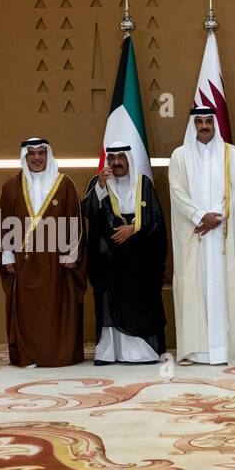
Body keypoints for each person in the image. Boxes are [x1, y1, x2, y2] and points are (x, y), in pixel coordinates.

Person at [168, 106, 235, 366]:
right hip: (194, 234)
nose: (205, 126)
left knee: (225, 286)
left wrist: (215, 217)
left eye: (209, 121)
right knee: (195, 287)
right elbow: (176, 191)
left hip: (223, 236)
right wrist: (199, 216)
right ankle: (197, 350)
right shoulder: (180, 156)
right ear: (193, 125)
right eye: (200, 122)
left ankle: (226, 348)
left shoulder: (231, 153)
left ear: (215, 124)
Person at [0, 137, 87, 367]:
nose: (36, 158)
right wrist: (7, 255)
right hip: (24, 260)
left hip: (56, 260)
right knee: (28, 308)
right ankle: (29, 355)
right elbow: (4, 221)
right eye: (32, 154)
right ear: (24, 157)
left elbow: (74, 219)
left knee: (54, 306)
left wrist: (72, 253)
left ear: (48, 155)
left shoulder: (64, 184)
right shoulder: (10, 186)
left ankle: (57, 354)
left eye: (40, 153)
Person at [81, 144, 167, 364]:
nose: (117, 162)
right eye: (112, 158)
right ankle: (109, 353)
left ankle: (141, 353)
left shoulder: (143, 184)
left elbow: (156, 219)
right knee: (108, 304)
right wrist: (100, 185)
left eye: (121, 157)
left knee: (140, 303)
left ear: (129, 160)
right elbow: (87, 212)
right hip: (108, 260)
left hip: (139, 261)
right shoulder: (97, 183)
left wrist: (134, 228)